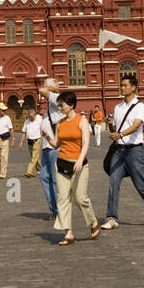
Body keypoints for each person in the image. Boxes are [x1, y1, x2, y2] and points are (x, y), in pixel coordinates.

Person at [100, 74, 144, 230]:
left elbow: (136, 125)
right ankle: (111, 217)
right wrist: (110, 126)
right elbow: (115, 130)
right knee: (114, 182)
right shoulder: (118, 107)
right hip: (119, 150)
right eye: (121, 85)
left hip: (134, 150)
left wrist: (121, 134)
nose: (122, 87)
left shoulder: (140, 106)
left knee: (140, 184)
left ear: (133, 87)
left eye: (125, 85)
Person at [43, 90, 98, 245]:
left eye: (62, 105)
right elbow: (56, 144)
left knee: (80, 198)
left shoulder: (82, 121)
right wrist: (48, 137)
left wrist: (80, 160)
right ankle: (68, 233)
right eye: (59, 105)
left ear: (71, 105)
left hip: (79, 164)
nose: (59, 108)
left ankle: (93, 222)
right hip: (61, 163)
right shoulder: (60, 123)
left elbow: (86, 143)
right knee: (63, 199)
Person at [36, 78, 62, 222]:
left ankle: (59, 210)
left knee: (54, 179)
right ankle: (54, 209)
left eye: (46, 86)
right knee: (44, 177)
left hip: (55, 148)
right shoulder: (51, 104)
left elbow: (41, 91)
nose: (42, 88)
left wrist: (49, 88)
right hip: (46, 147)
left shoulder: (57, 99)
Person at [22, 106, 44, 178]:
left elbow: (43, 127)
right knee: (34, 156)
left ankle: (29, 171)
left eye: (32, 117)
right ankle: (40, 170)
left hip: (37, 139)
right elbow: (24, 132)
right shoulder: (27, 121)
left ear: (35, 115)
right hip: (29, 141)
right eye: (29, 117)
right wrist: (21, 141)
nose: (31, 118)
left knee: (34, 156)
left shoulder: (39, 119)